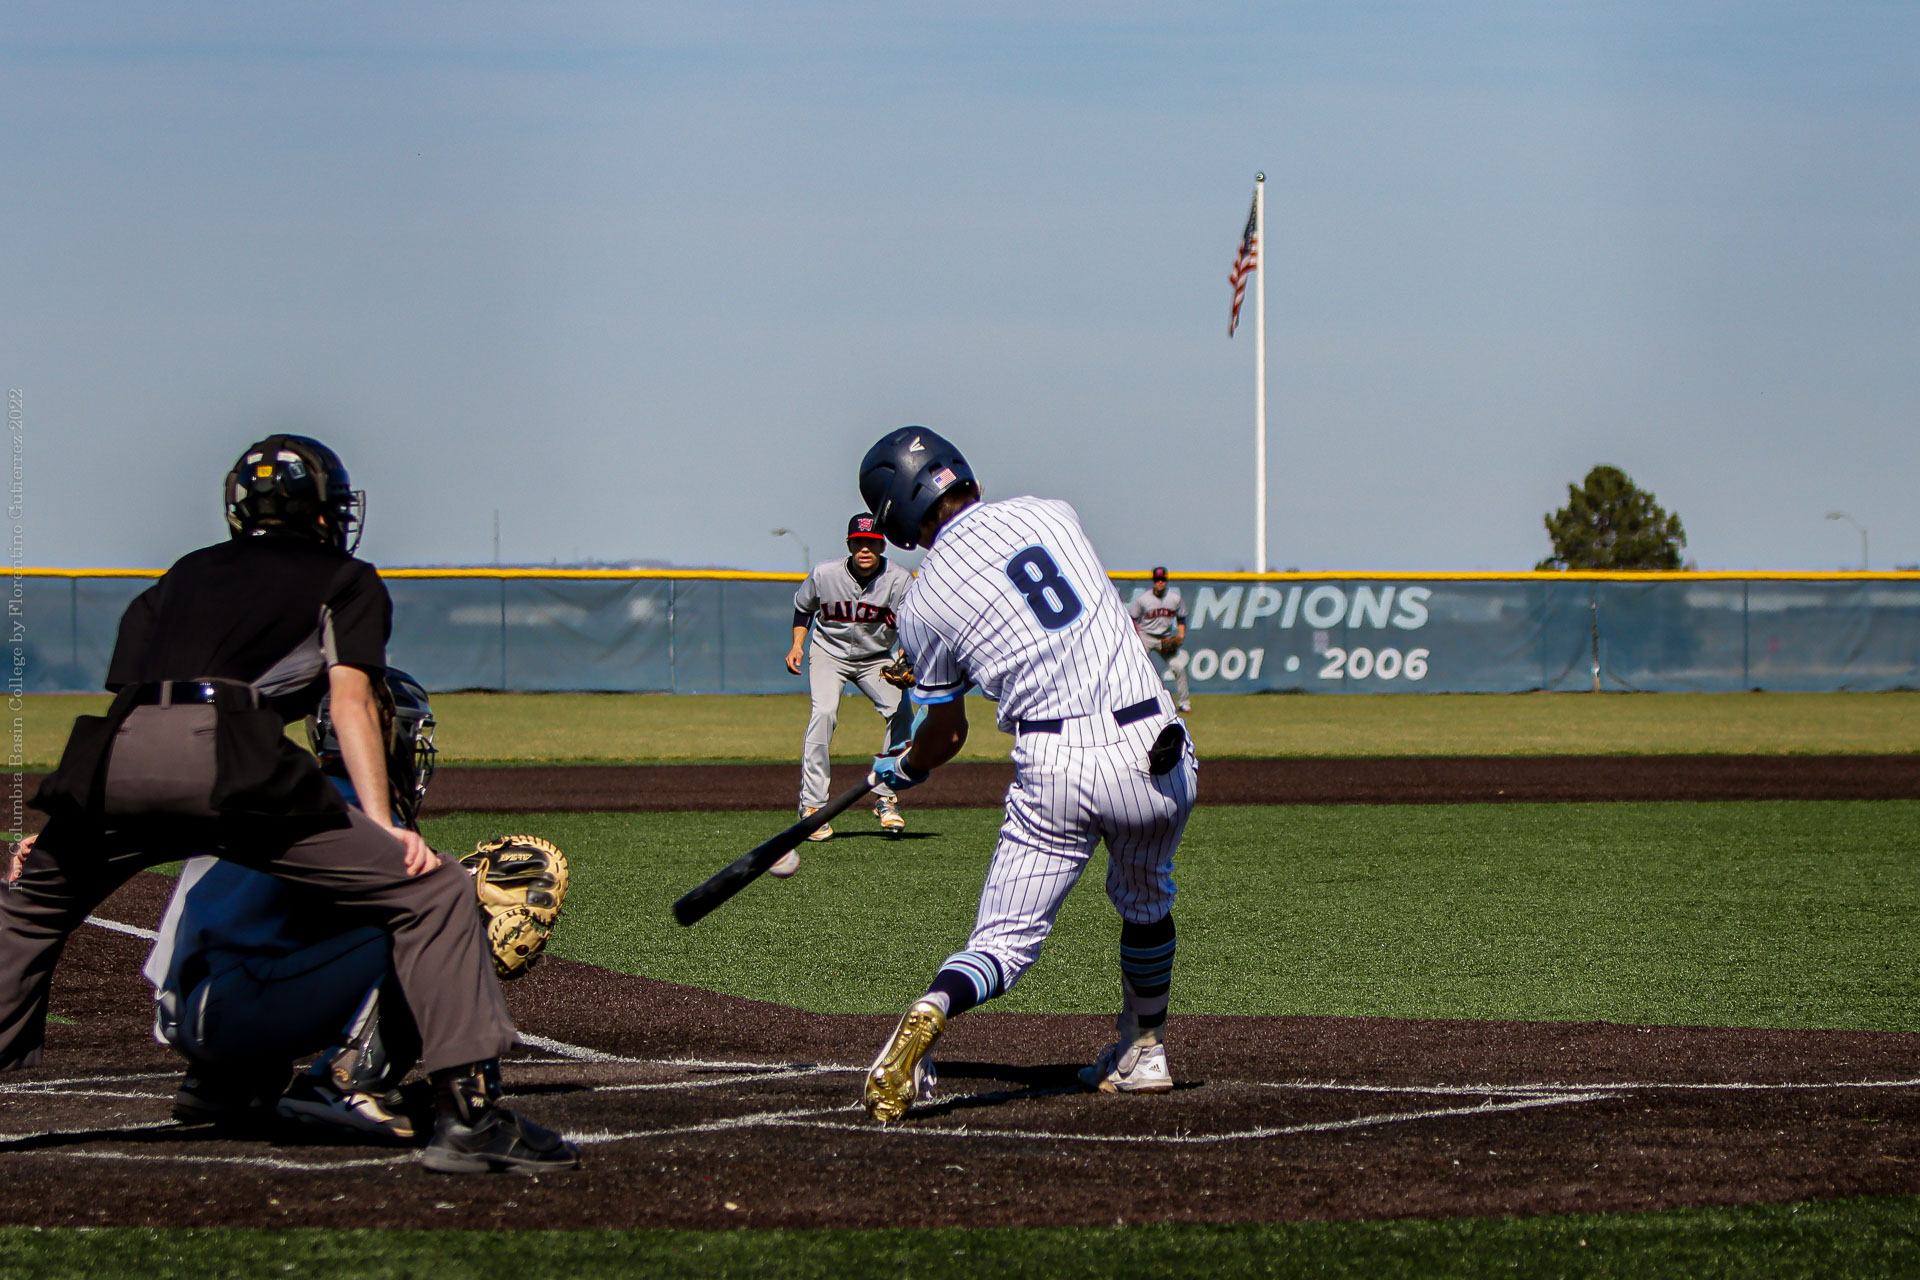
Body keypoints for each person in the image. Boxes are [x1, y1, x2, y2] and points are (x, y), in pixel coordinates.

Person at [1, 434, 577, 1173]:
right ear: (326, 511)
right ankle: (467, 1120)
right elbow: (350, 695)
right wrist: (380, 822)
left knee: (28, 908)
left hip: (116, 755)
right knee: (433, 892)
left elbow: (133, 709)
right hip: (229, 751)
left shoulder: (182, 575)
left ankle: (224, 1074)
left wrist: (55, 832)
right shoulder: (346, 576)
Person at [854, 426, 1199, 1122]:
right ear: (962, 473)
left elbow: (945, 734)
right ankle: (1146, 1051)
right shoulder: (1053, 512)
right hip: (1153, 746)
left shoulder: (921, 606)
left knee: (1003, 944)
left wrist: (905, 768)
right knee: (1146, 903)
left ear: (895, 521)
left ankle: (934, 1006)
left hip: (1057, 766)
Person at [779, 513, 916, 869]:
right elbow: (802, 608)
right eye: (859, 541)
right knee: (824, 712)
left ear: (882, 546)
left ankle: (886, 797)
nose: (865, 548)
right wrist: (797, 645)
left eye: (872, 542)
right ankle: (812, 806)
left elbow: (913, 625)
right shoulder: (825, 573)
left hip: (876, 658)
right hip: (829, 653)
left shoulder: (900, 580)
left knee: (901, 713)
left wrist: (906, 658)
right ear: (850, 545)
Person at [1129, 566, 1191, 713]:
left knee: (1179, 667)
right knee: (1137, 668)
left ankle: (1184, 703)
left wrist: (1181, 636)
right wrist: (1136, 638)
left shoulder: (1174, 599)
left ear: (1166, 581)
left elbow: (1181, 618)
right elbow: (1132, 619)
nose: (1160, 582)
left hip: (1165, 638)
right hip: (1146, 636)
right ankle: (1134, 703)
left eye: (1162, 579)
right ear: (1153, 581)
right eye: (1157, 580)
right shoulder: (1143, 600)